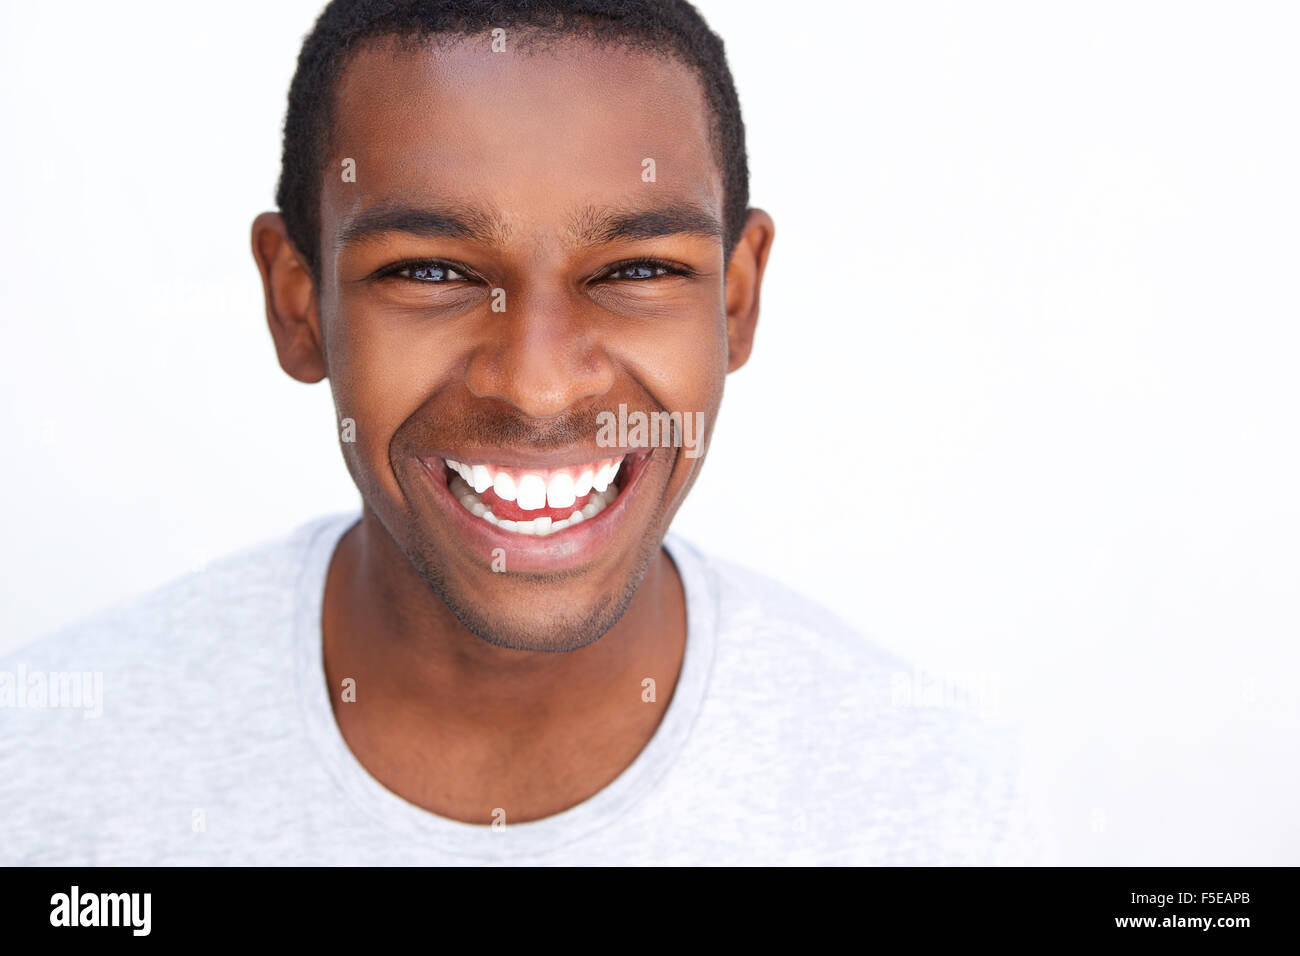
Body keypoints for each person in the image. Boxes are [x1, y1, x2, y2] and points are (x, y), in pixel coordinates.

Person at [0, 0, 1046, 865]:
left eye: (636, 271)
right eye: (431, 271)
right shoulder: (44, 770)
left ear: (734, 302)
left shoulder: (930, 803)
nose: (539, 386)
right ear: (300, 302)